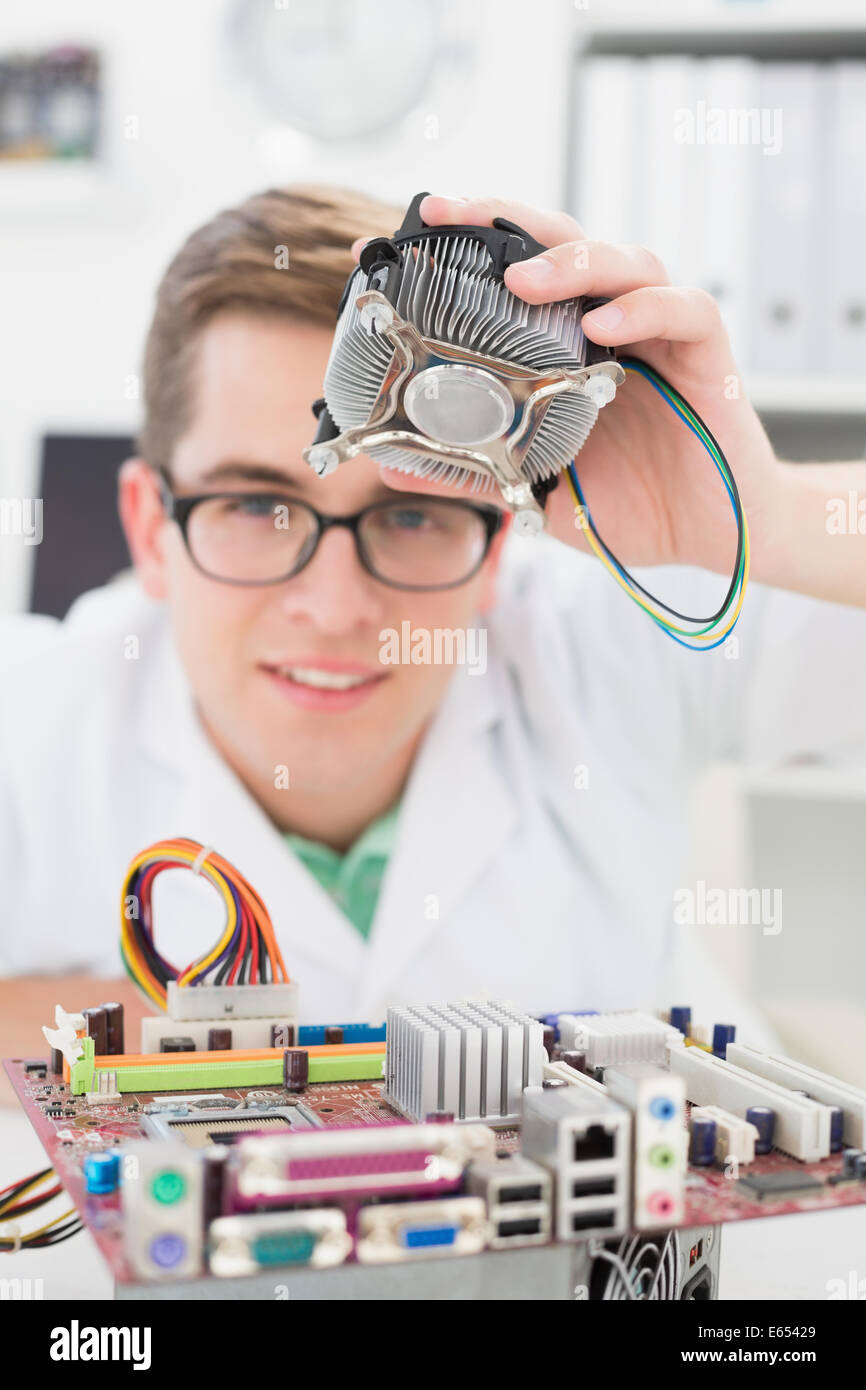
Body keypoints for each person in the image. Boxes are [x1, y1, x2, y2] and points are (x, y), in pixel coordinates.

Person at [1, 186, 865, 1082]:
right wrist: (138, 1040)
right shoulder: (27, 727)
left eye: (413, 516)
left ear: (498, 536)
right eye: (258, 506)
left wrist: (762, 519)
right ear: (150, 528)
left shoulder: (606, 637)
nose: (335, 608)